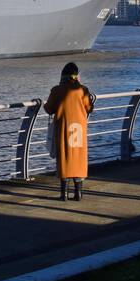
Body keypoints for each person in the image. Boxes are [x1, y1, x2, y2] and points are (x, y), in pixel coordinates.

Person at [44, 62, 95, 200]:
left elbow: (49, 108)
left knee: (64, 158)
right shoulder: (83, 90)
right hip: (79, 128)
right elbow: (89, 108)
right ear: (76, 76)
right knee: (79, 158)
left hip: (63, 128)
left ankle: (64, 194)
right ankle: (79, 193)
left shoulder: (56, 90)